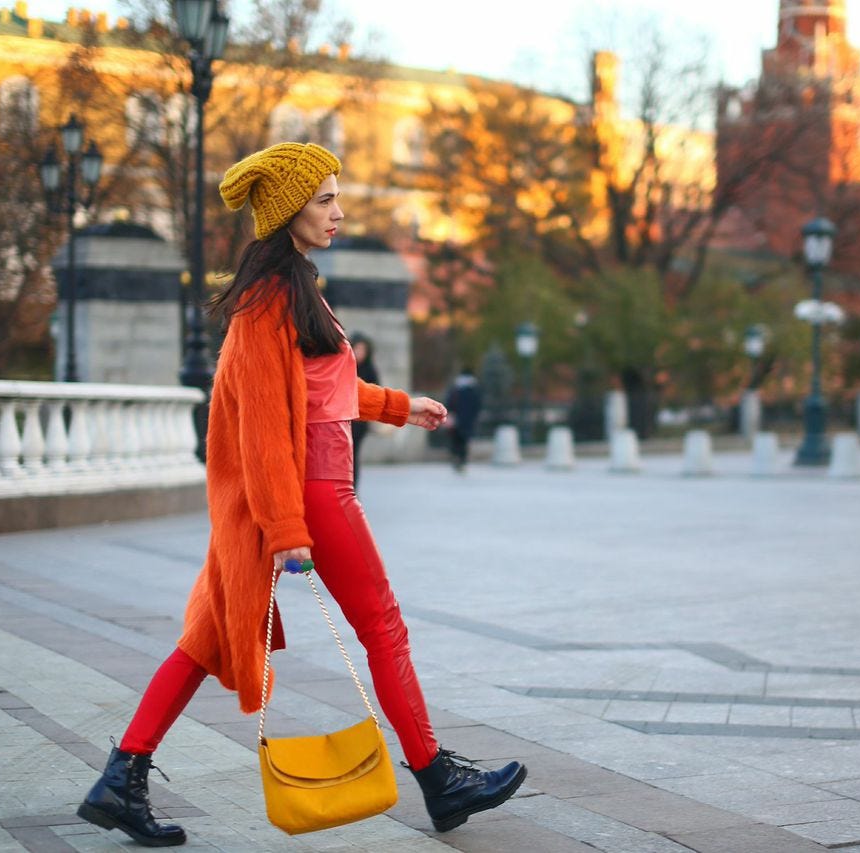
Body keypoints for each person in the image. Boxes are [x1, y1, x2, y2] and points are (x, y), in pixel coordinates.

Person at [76, 142, 526, 846]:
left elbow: (321, 390)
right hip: (311, 490)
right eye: (324, 199)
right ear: (289, 210)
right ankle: (439, 778)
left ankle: (121, 776)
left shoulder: (293, 288)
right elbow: (263, 425)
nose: (338, 211)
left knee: (204, 638)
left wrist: (401, 406)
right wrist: (288, 530)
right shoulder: (267, 303)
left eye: (336, 197)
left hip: (301, 487)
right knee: (382, 627)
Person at [349, 333, 378, 488]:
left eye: (362, 350)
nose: (359, 353)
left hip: (360, 420)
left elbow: (376, 392)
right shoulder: (345, 365)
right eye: (357, 349)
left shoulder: (370, 369)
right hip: (345, 417)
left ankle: (353, 487)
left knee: (354, 454)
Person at [446, 367, 482, 472]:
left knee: (457, 440)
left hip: (457, 418)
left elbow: (449, 402)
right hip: (466, 419)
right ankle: (461, 460)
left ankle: (458, 459)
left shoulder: (456, 388)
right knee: (463, 440)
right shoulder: (474, 389)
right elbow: (477, 405)